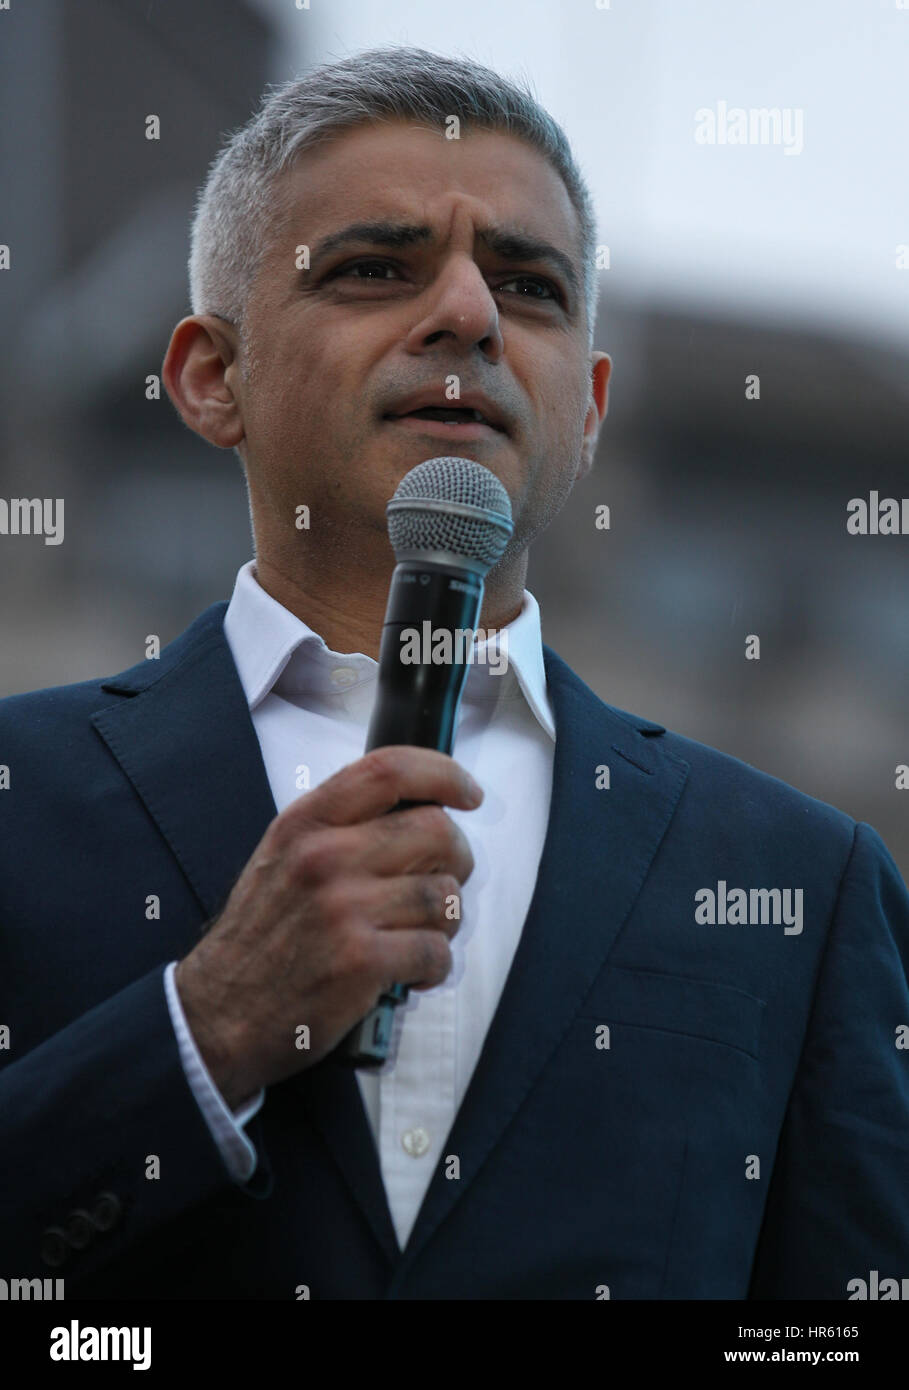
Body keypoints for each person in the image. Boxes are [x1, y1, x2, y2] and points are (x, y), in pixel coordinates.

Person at [2, 46, 908, 1301]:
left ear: (589, 411)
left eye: (530, 286)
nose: (471, 316)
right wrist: (203, 1032)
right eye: (378, 267)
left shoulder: (802, 881)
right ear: (214, 378)